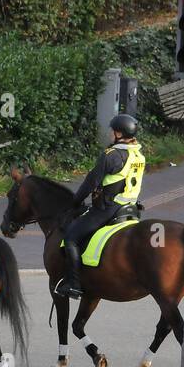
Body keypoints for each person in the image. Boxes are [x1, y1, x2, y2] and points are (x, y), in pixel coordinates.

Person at [53, 114, 146, 299]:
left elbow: (90, 183)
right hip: (131, 208)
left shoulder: (111, 155)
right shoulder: (138, 155)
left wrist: (75, 202)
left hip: (108, 208)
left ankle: (73, 284)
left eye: (112, 130)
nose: (110, 133)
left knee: (71, 238)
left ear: (119, 133)